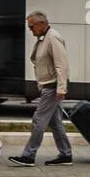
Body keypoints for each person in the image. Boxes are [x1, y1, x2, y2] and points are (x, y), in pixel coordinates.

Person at [9, 11, 72, 167]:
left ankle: (29, 156)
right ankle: (66, 154)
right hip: (48, 86)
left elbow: (61, 64)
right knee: (55, 122)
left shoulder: (52, 37)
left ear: (42, 23)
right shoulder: (43, 38)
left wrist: (61, 88)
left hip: (52, 87)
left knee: (38, 120)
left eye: (32, 27)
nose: (31, 30)